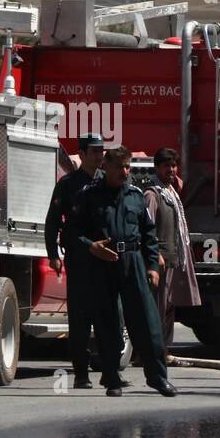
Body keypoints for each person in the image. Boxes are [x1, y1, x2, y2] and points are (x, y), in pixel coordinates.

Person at [64, 146, 177, 398]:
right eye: (119, 168)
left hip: (133, 262)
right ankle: (112, 378)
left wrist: (151, 266)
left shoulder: (135, 196)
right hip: (102, 264)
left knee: (148, 323)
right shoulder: (89, 196)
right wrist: (90, 246)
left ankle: (158, 378)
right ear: (106, 167)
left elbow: (149, 234)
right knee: (108, 325)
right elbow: (71, 232)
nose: (124, 172)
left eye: (127, 167)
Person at [45, 133, 106, 389]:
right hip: (80, 258)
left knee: (108, 317)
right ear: (81, 155)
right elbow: (53, 220)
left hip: (106, 260)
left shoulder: (107, 181)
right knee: (80, 319)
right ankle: (81, 373)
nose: (99, 156)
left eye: (101, 151)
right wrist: (53, 255)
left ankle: (109, 370)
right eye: (94, 151)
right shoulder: (69, 184)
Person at [144, 148, 200, 348]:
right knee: (157, 309)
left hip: (173, 258)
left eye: (174, 165)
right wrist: (154, 254)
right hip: (159, 260)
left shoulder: (171, 193)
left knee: (168, 309)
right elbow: (147, 227)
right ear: (157, 168)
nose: (171, 170)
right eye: (166, 165)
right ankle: (151, 353)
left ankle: (163, 352)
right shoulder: (153, 194)